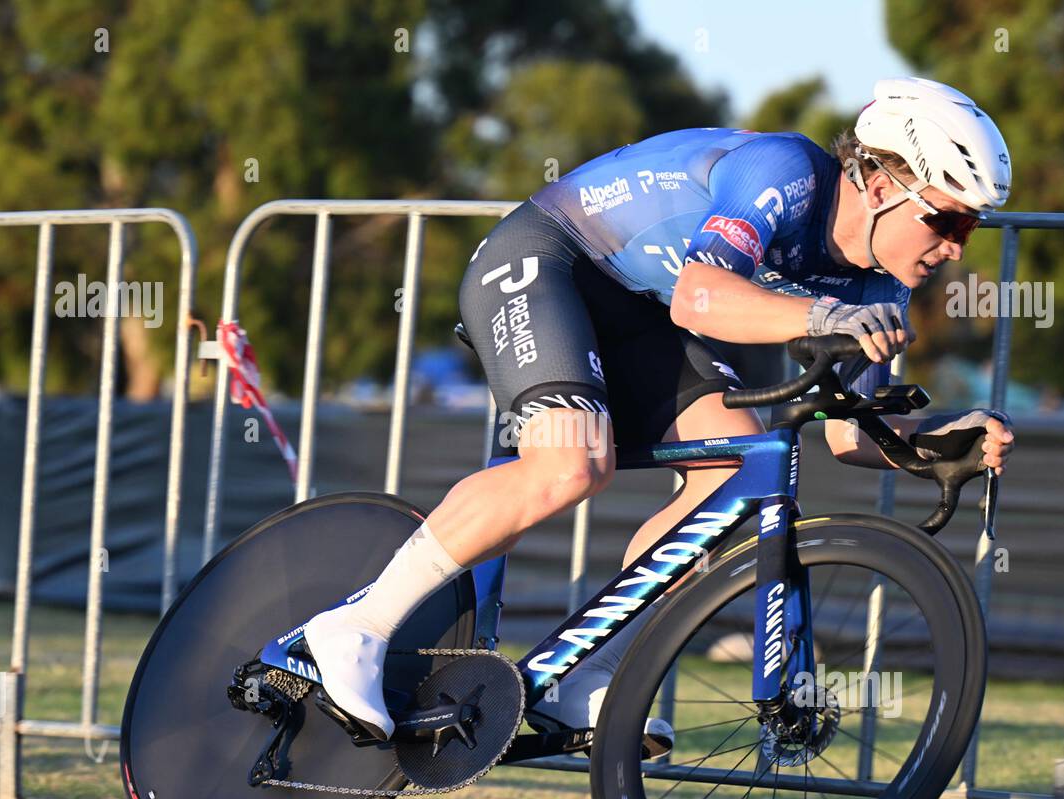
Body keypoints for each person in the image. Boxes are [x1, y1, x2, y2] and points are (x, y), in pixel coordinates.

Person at [304, 76, 1017, 743]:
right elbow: (699, 297)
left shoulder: (881, 287)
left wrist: (936, 441)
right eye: (948, 219)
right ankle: (357, 627)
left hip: (639, 314)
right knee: (571, 465)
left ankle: (587, 672)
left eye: (971, 229)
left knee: (733, 473)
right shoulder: (786, 173)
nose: (954, 249)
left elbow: (849, 433)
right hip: (550, 260)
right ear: (882, 183)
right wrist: (821, 315)